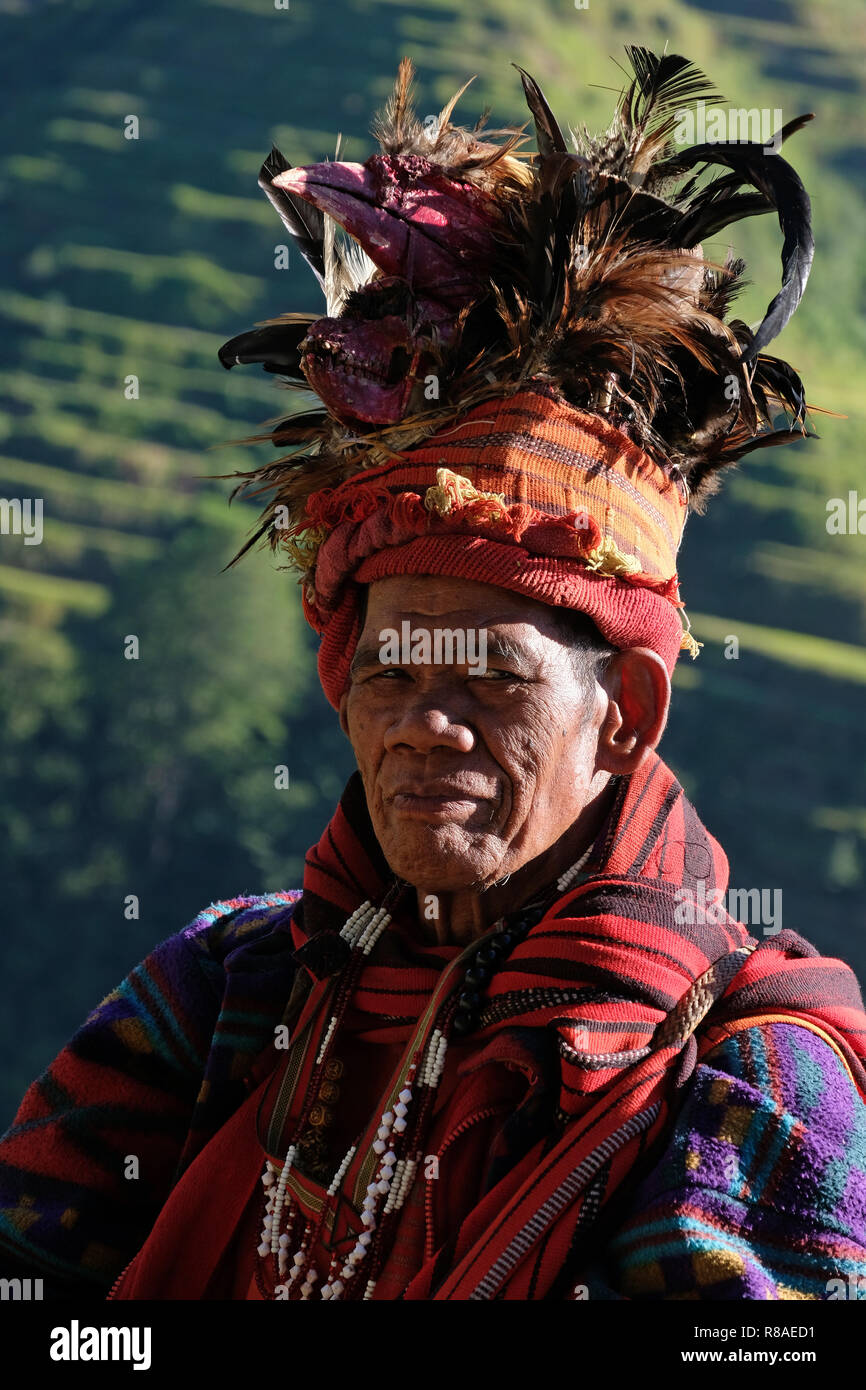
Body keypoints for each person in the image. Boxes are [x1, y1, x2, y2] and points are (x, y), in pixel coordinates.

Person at [1, 50, 864, 1303]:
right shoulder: (228, 993)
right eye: (391, 667)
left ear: (622, 714)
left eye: (493, 681)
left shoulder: (747, 1085)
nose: (423, 727)